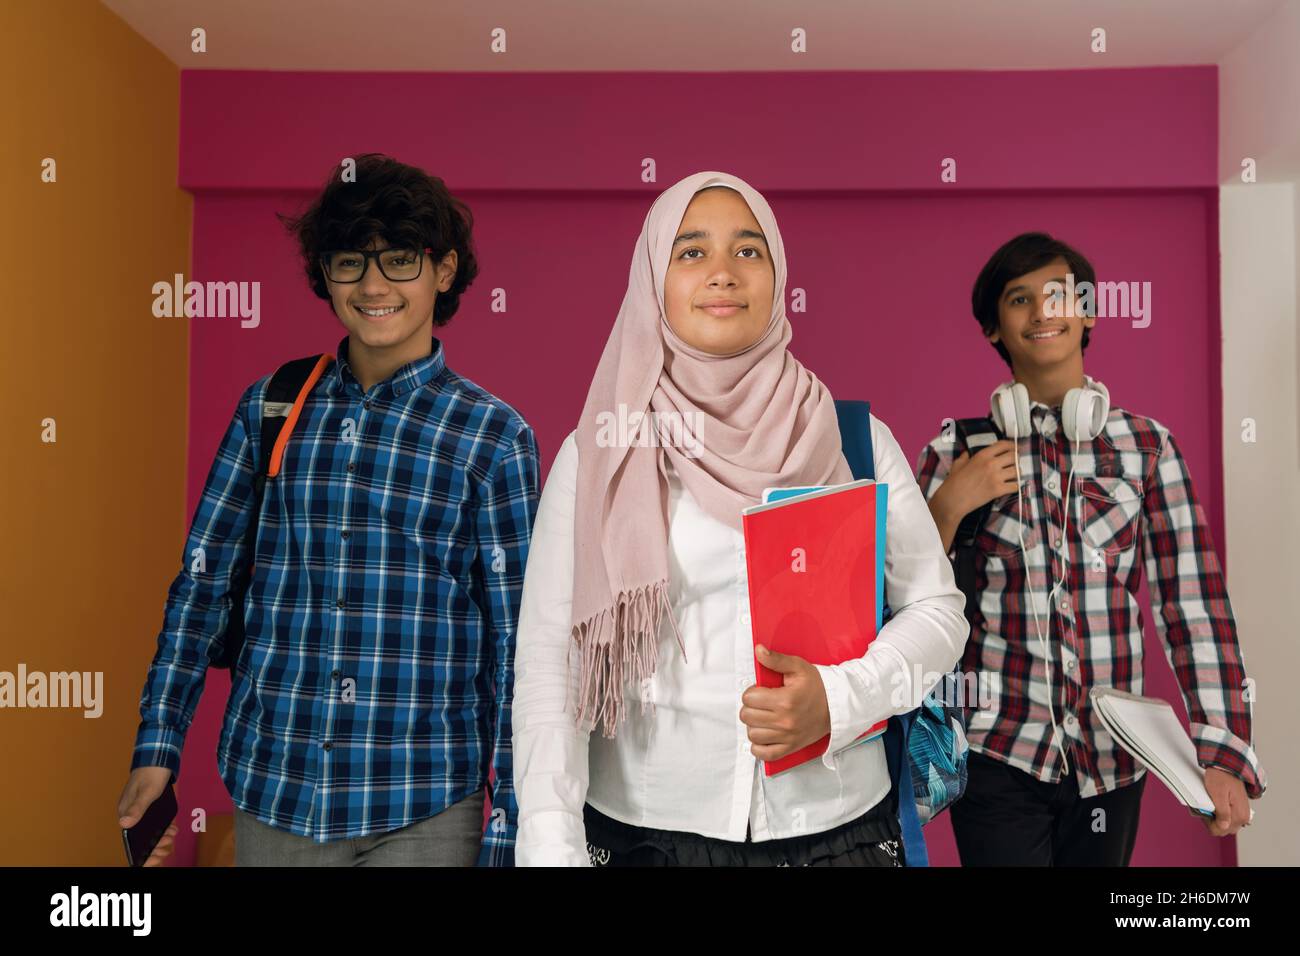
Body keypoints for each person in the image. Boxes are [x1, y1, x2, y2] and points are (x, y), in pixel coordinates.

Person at [511, 171, 968, 867]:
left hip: (839, 826)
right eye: (691, 252)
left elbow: (939, 610)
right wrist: (550, 844)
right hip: (644, 833)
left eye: (748, 251)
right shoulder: (598, 452)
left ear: (777, 276)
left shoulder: (852, 439)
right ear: (653, 283)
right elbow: (552, 661)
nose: (723, 273)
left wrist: (839, 699)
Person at [116, 153, 539, 866]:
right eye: (350, 262)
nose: (374, 285)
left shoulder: (494, 438)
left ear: (443, 271)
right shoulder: (270, 408)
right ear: (326, 276)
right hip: (273, 788)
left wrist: (511, 818)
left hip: (425, 802)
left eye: (401, 259)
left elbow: (518, 645)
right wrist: (159, 744)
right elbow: (201, 587)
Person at [914, 232, 1266, 866]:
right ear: (996, 329)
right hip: (997, 753)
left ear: (1088, 313)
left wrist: (1222, 751)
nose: (1042, 312)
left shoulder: (1147, 450)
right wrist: (946, 507)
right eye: (1019, 300)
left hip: (1111, 760)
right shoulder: (952, 453)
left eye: (1057, 295)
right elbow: (903, 601)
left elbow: (1194, 607)